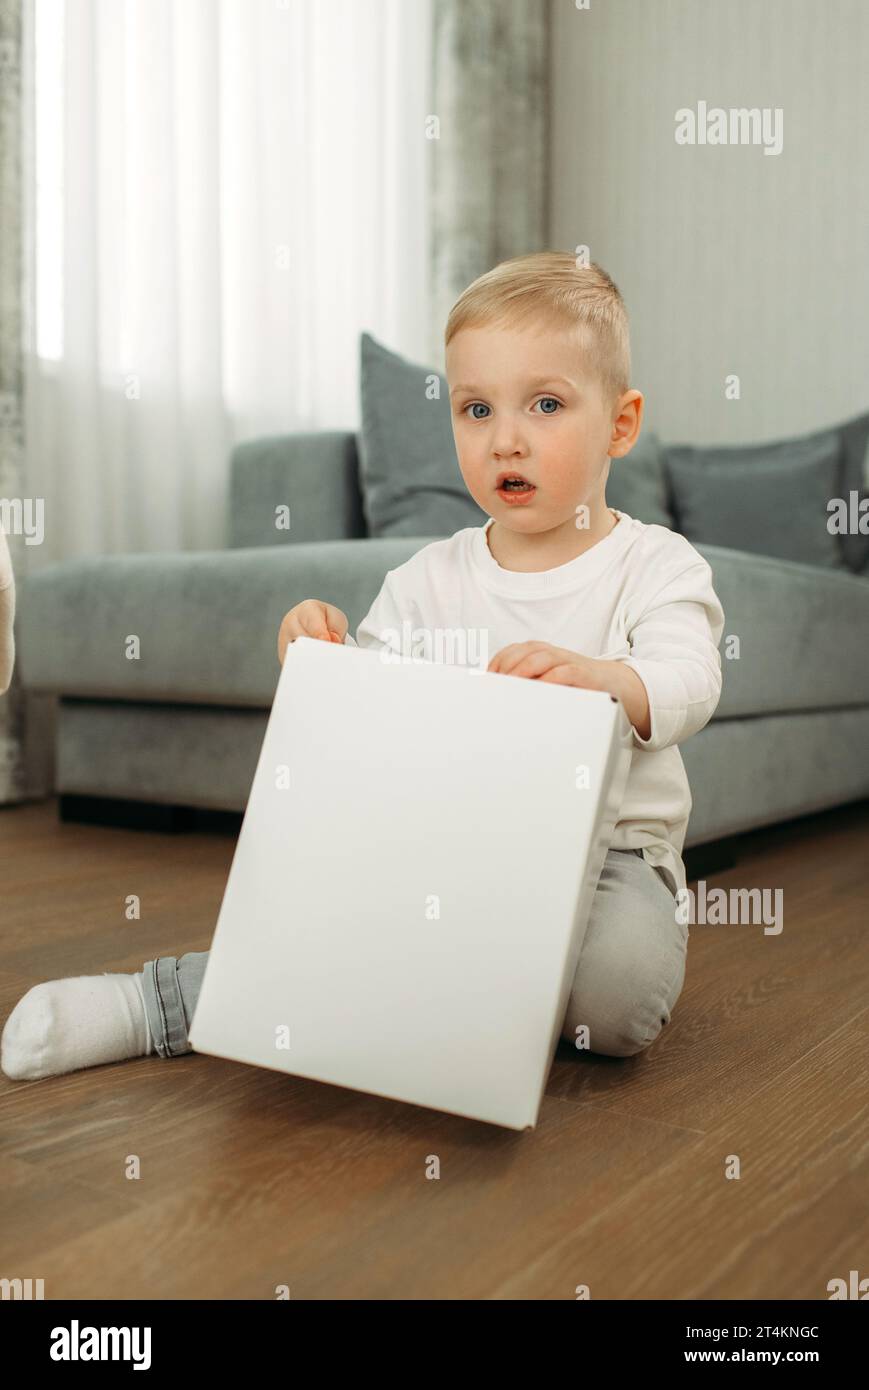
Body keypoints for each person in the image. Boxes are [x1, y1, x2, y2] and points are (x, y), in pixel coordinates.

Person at [1, 251, 724, 1081]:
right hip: (451, 848)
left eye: (547, 405)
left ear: (620, 424)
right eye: (476, 408)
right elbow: (370, 710)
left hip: (612, 862)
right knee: (349, 922)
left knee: (616, 1003)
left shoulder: (657, 565)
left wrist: (608, 678)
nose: (505, 439)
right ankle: (157, 1004)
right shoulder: (427, 580)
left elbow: (691, 679)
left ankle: (436, 986)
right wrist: (326, 661)